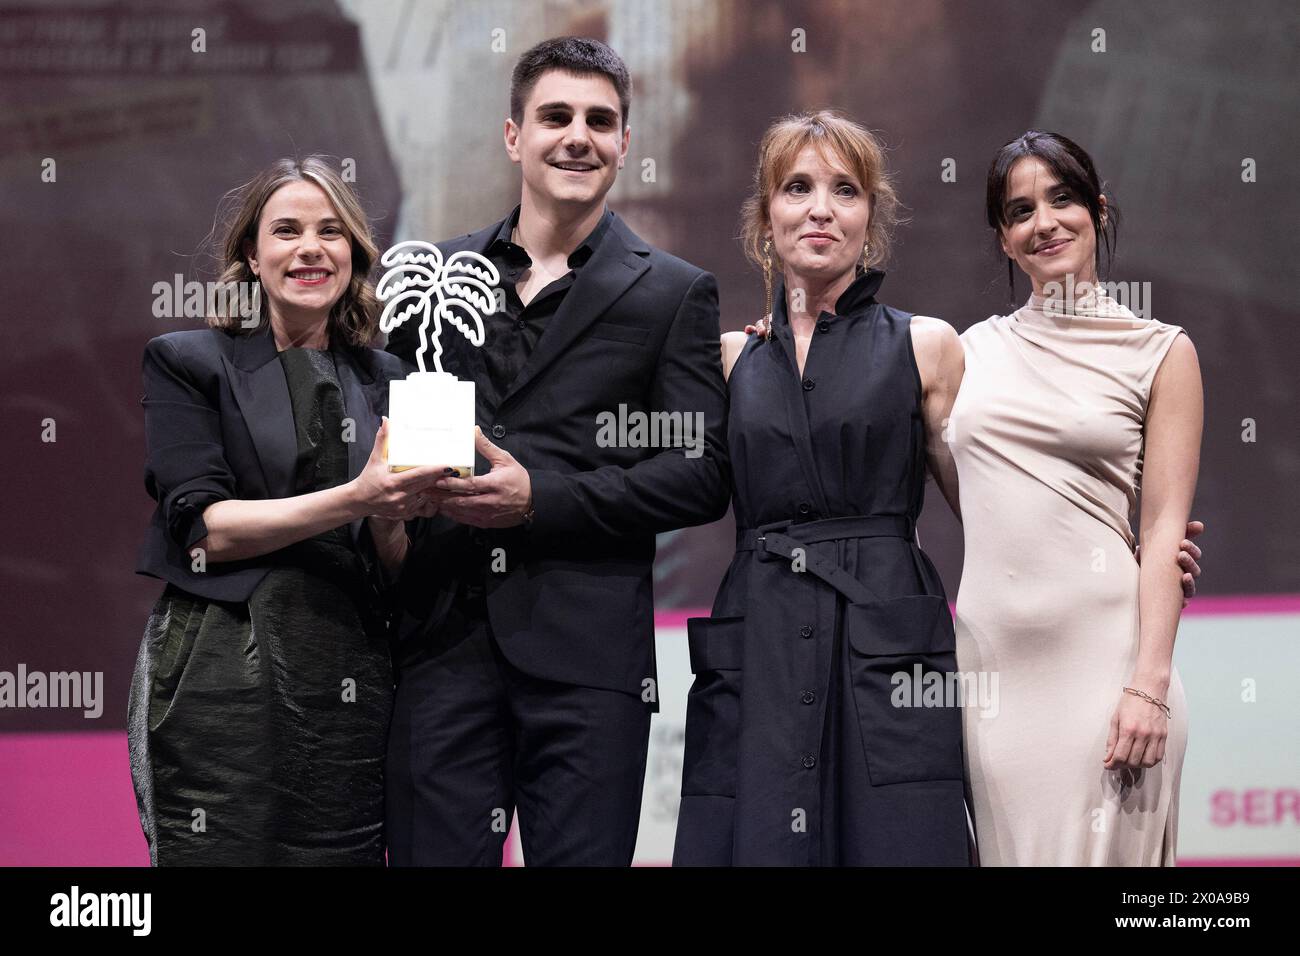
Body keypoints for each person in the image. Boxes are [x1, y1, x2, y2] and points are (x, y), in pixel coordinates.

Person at [383, 37, 730, 866]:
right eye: (556, 117)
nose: (578, 136)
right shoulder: (431, 275)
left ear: (623, 145)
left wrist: (540, 500)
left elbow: (699, 473)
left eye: (600, 121)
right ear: (514, 136)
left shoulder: (673, 291)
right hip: (440, 644)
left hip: (588, 663)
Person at [129, 156, 445, 865]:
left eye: (331, 232)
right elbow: (205, 530)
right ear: (251, 252)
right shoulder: (187, 362)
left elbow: (400, 568)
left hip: (352, 679)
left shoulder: (393, 379)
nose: (311, 248)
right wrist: (358, 498)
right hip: (220, 675)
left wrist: (392, 515)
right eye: (288, 231)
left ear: (354, 254)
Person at [674, 110, 971, 865]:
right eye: (797, 187)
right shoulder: (731, 358)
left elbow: (988, 505)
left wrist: (1112, 541)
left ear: (870, 216)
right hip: (763, 635)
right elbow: (664, 485)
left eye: (845, 190)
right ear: (765, 215)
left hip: (885, 637)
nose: (819, 208)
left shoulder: (926, 344)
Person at [950, 130, 1201, 865]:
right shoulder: (964, 352)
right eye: (1020, 210)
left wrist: (1148, 688)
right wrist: (788, 333)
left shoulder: (1162, 352)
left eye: (1063, 199)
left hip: (1111, 677)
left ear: (1098, 209)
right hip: (993, 687)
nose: (1044, 222)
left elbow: (1162, 532)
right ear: (1002, 238)